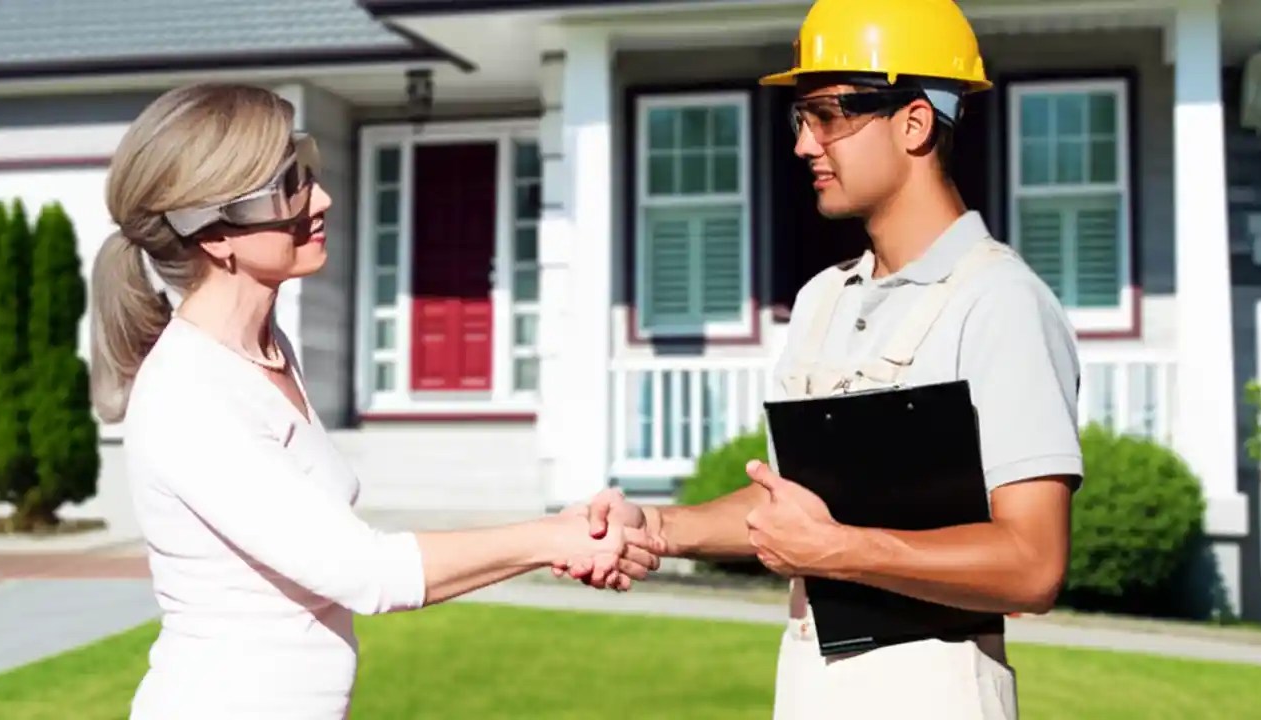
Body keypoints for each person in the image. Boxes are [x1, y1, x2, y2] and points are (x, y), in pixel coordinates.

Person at [560, 1, 1084, 718]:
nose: (805, 145)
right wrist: (655, 527)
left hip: (934, 691)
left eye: (829, 116)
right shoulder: (822, 301)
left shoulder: (1000, 302)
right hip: (810, 682)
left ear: (915, 123)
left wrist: (838, 550)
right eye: (800, 119)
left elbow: (1033, 564)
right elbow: (788, 509)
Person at [89, 83, 660, 720]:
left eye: (306, 168)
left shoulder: (264, 351)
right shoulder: (190, 397)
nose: (321, 199)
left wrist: (567, 536)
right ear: (215, 234)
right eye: (287, 187)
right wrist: (556, 537)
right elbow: (366, 572)